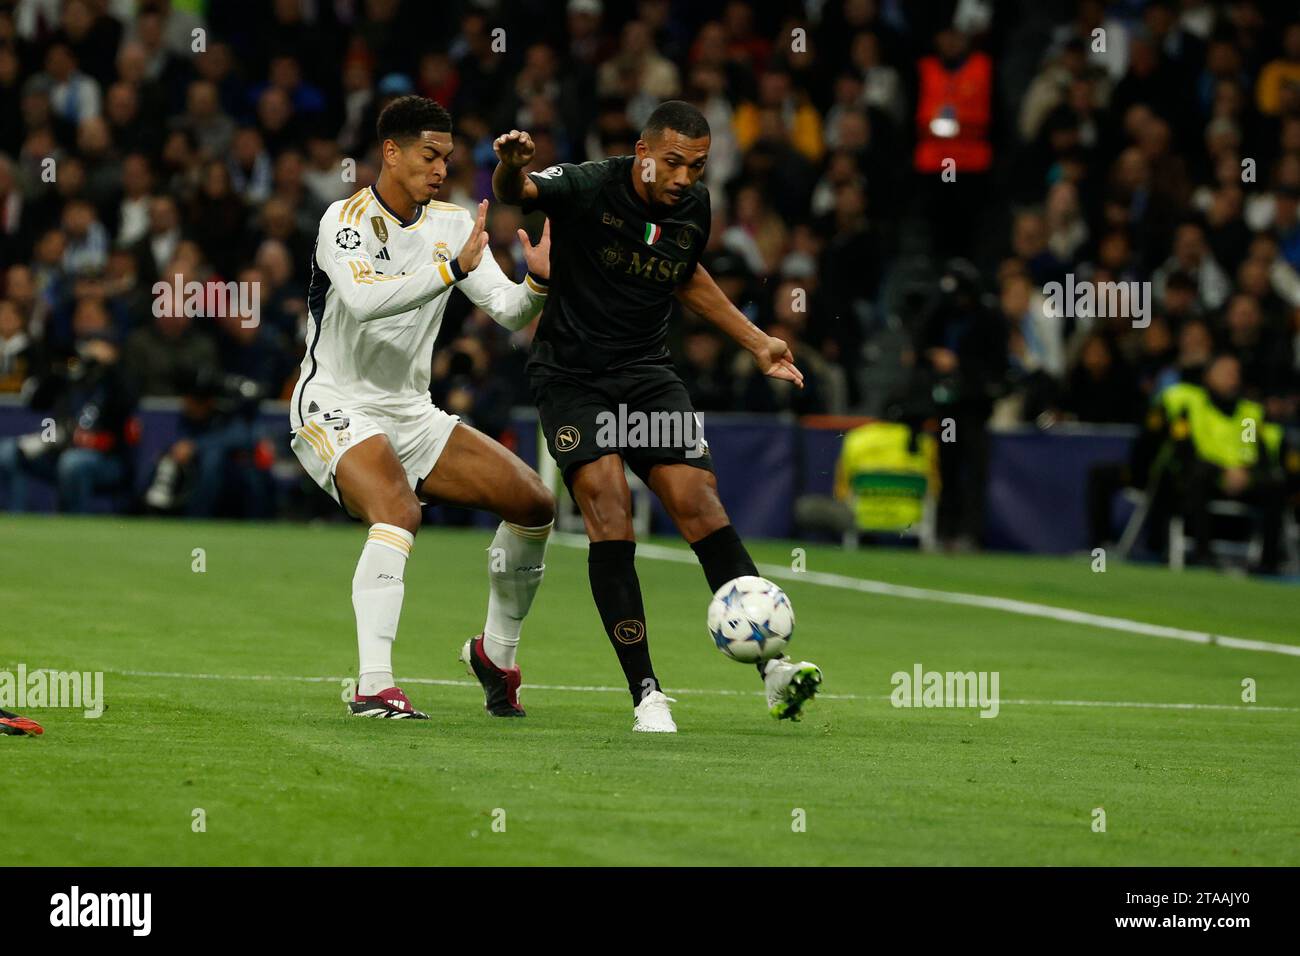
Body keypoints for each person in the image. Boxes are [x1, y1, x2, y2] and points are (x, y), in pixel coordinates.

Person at [491, 100, 822, 733]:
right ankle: (646, 693)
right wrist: (508, 168)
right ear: (643, 154)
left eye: (696, 167)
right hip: (573, 378)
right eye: (672, 163)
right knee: (609, 508)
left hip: (646, 377)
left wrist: (757, 341)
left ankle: (773, 671)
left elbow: (685, 275)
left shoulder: (693, 208)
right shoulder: (591, 184)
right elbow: (521, 190)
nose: (683, 178)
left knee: (700, 501)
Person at [289, 96, 556, 721]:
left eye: (447, 158)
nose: (440, 169)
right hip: (333, 403)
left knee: (534, 504)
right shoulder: (344, 219)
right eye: (428, 155)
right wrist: (448, 270)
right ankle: (373, 684)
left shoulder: (455, 224)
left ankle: (495, 654)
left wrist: (537, 283)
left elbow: (510, 311)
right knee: (398, 510)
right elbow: (361, 300)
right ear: (391, 151)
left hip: (411, 413)